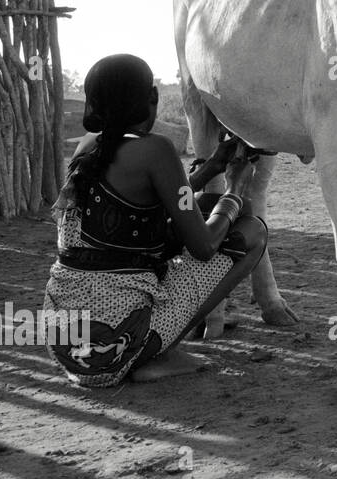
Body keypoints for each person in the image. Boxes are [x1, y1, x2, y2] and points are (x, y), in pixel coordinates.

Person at [43, 53, 268, 386]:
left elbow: (143, 200)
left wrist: (211, 169)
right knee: (251, 230)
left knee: (204, 203)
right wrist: (235, 188)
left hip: (65, 346)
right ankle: (156, 353)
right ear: (152, 98)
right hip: (118, 346)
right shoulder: (156, 149)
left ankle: (149, 347)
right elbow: (204, 247)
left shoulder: (88, 147)